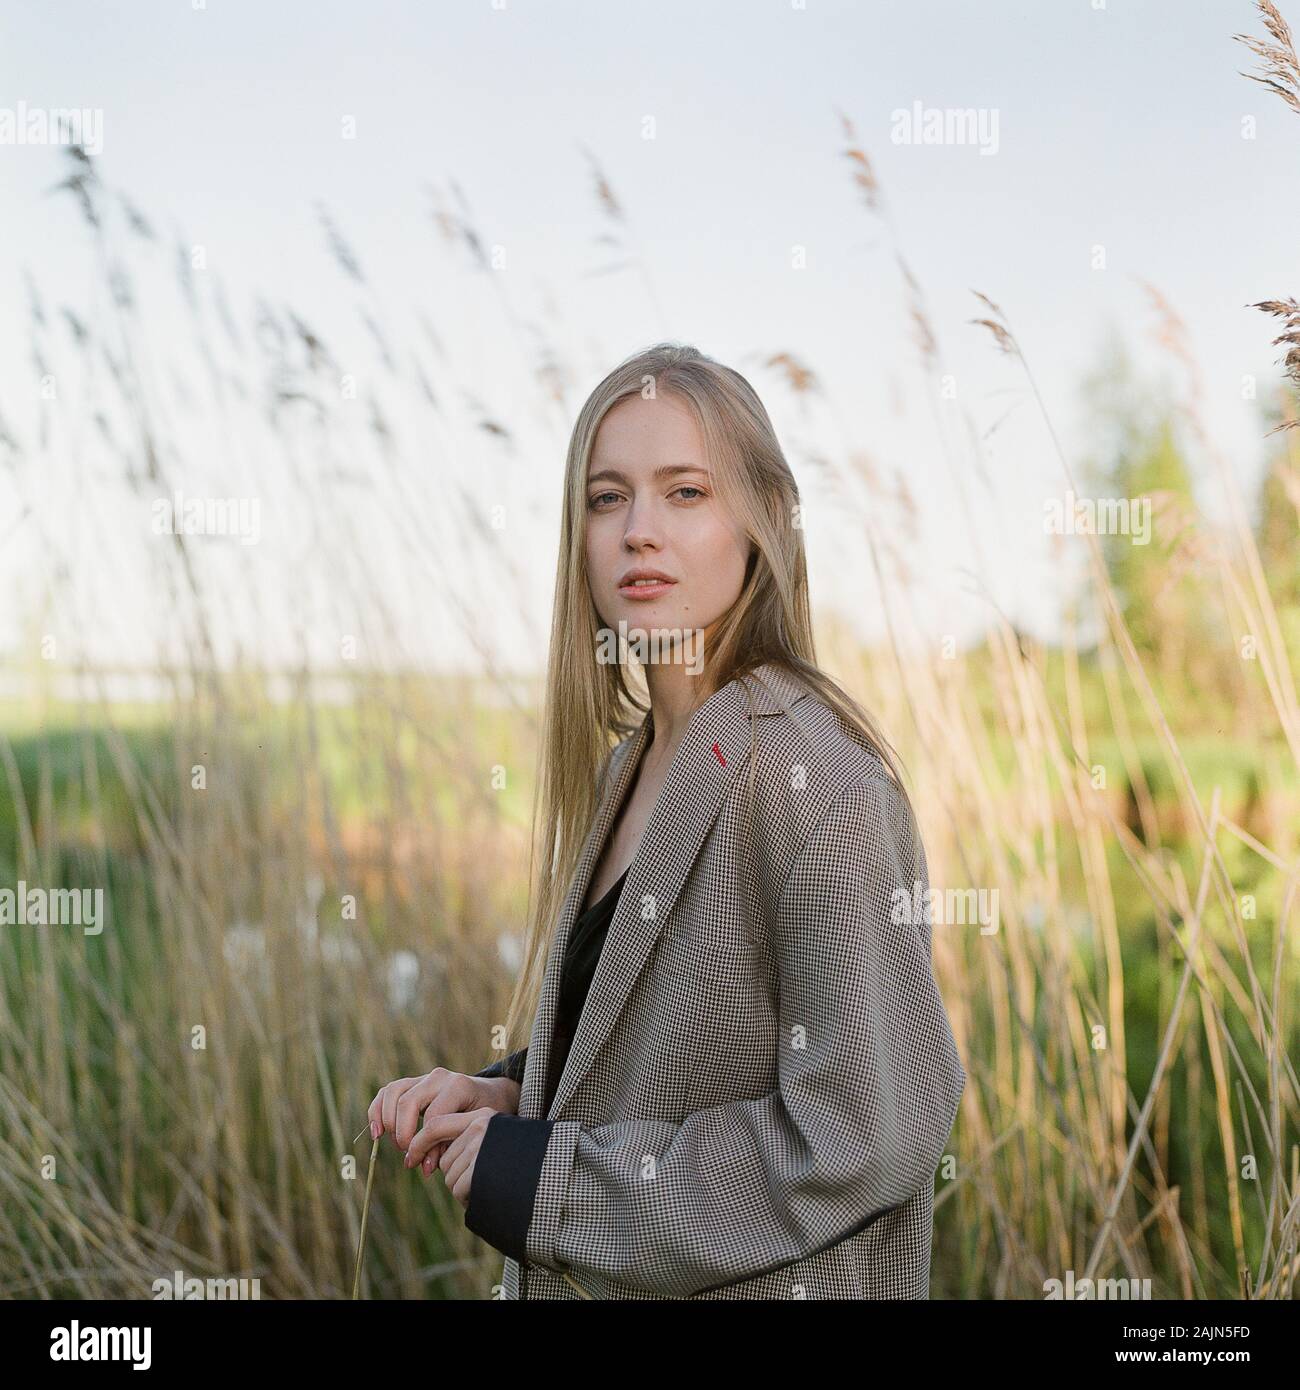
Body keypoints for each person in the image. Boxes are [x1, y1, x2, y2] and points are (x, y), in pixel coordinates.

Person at [368, 341, 966, 1299]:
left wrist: (544, 1183)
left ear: (760, 521)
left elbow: (862, 1134)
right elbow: (660, 1049)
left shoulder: (819, 786)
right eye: (608, 498)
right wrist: (514, 1098)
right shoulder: (631, 765)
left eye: (685, 492)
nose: (639, 529)